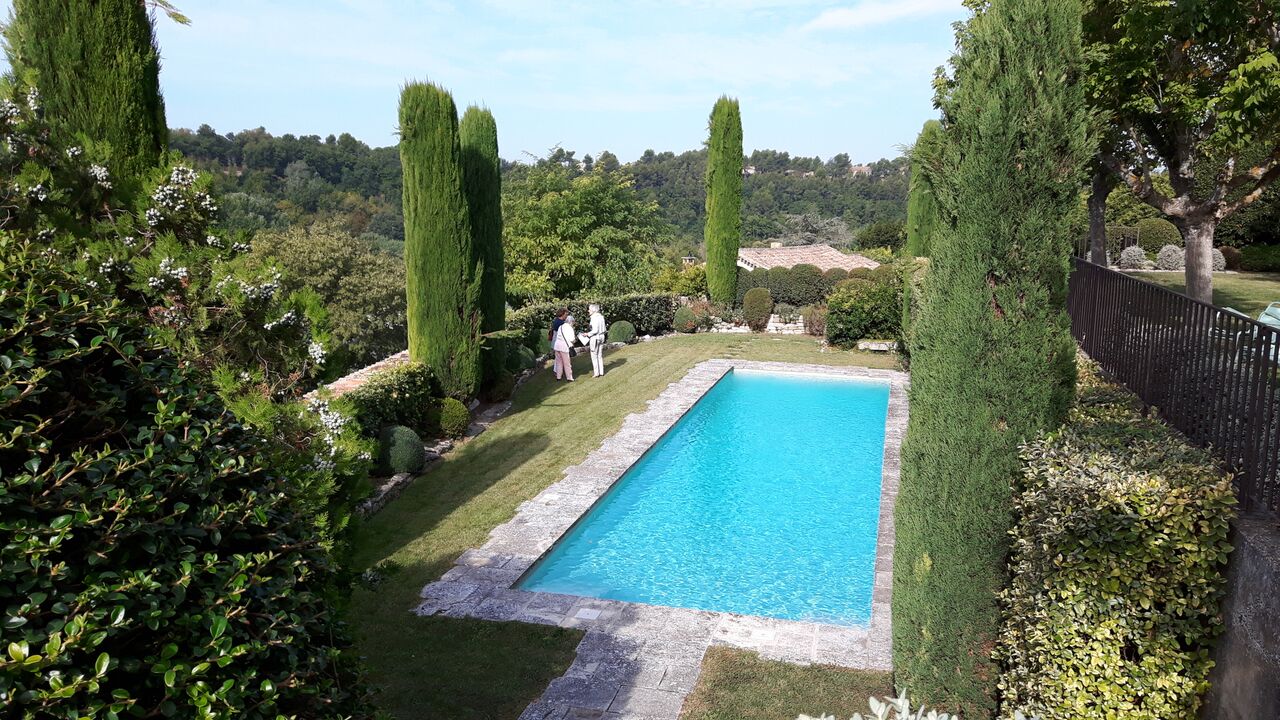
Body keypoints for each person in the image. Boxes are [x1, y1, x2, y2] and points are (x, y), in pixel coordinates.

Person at [553, 314, 577, 381]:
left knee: (559, 362)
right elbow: (572, 339)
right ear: (571, 322)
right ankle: (569, 378)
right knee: (567, 363)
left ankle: (558, 377)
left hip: (557, 346)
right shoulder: (570, 328)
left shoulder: (560, 327)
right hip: (564, 347)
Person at [585, 303, 607, 377]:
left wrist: (587, 334)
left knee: (594, 355)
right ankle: (601, 372)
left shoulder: (594, 317)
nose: (588, 311)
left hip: (595, 337)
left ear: (593, 310)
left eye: (590, 309)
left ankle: (596, 373)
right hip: (602, 336)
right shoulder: (601, 317)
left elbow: (595, 330)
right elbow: (604, 328)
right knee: (599, 355)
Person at [548, 308, 568, 378]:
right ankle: (557, 372)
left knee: (559, 358)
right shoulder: (560, 323)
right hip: (558, 342)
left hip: (556, 342)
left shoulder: (556, 321)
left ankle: (559, 372)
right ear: (562, 314)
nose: (566, 316)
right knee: (559, 358)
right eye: (566, 314)